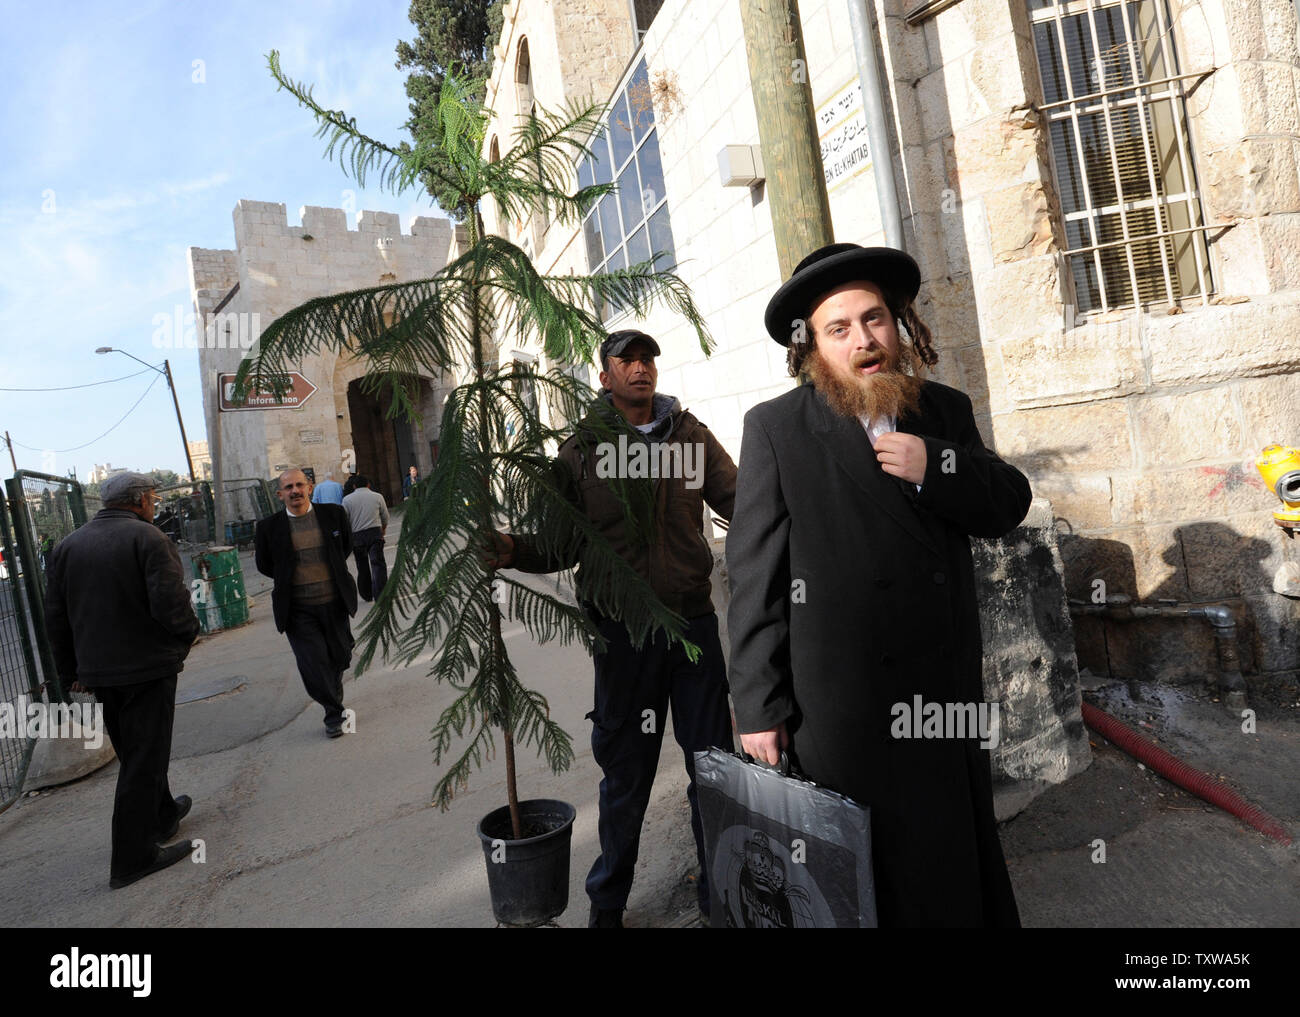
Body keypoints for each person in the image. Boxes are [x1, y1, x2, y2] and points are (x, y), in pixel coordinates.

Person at [725, 243, 1033, 928]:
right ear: (812, 346)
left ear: (898, 326)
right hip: (841, 712)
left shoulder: (942, 412)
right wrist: (756, 704)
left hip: (942, 696)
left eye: (874, 320)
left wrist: (938, 466)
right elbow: (752, 577)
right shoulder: (777, 429)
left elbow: (1008, 501)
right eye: (840, 329)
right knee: (860, 881)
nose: (863, 341)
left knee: (948, 868)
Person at [486, 329, 738, 928]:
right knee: (627, 776)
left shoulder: (690, 438)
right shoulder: (580, 452)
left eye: (647, 358)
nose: (640, 368)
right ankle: (609, 904)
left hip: (691, 625)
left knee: (713, 767)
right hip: (623, 636)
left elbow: (742, 498)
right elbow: (561, 542)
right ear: (604, 377)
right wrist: (509, 547)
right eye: (625, 360)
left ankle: (720, 893)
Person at [43, 471, 199, 889]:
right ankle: (133, 858)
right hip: (146, 667)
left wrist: (71, 671)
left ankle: (163, 815)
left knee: (137, 752)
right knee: (144, 759)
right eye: (152, 497)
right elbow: (171, 603)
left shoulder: (67, 546)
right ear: (142, 499)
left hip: (100, 673)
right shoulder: (149, 538)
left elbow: (56, 618)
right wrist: (187, 634)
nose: (153, 503)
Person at [255, 468, 359, 738]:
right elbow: (265, 565)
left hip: (334, 603)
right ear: (280, 494)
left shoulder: (333, 515)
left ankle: (332, 693)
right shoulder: (268, 528)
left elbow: (344, 547)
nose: (295, 491)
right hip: (298, 610)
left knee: (340, 656)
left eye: (299, 485)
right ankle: (334, 714)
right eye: (288, 487)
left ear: (310, 488)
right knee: (314, 662)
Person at [342, 474, 389, 602]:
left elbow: (344, 521)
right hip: (375, 533)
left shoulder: (346, 500)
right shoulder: (377, 496)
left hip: (357, 536)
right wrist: (383, 529)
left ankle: (366, 593)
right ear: (368, 485)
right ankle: (381, 593)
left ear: (354, 486)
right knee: (378, 564)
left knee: (362, 566)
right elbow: (385, 516)